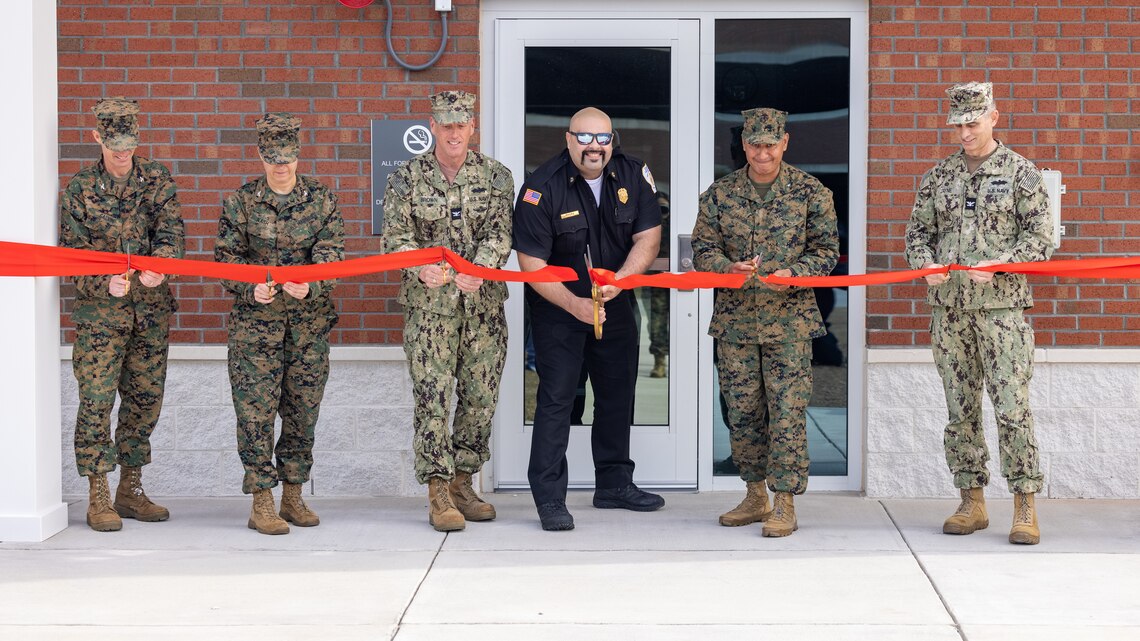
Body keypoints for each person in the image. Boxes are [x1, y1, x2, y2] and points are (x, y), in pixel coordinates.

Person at [905, 82, 1053, 545]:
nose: (965, 133)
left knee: (1012, 410)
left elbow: (1042, 239)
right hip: (949, 311)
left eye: (972, 123)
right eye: (958, 126)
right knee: (960, 410)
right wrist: (923, 264)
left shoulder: (1021, 174)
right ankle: (972, 501)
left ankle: (1024, 505)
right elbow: (916, 234)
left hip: (1001, 312)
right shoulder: (938, 176)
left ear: (993, 117)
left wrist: (1004, 263)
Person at [513, 107, 664, 531]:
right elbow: (531, 263)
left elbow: (648, 237)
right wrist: (575, 304)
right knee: (558, 400)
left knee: (618, 396)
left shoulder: (634, 175)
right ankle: (549, 499)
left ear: (612, 141)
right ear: (568, 140)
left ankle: (615, 484)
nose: (593, 146)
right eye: (583, 138)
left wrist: (622, 280)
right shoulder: (540, 187)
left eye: (602, 138)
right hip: (558, 309)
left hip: (614, 302)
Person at [692, 107, 839, 537]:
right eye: (755, 145)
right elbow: (702, 248)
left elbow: (827, 251)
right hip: (736, 325)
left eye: (771, 145)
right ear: (744, 144)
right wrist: (725, 267)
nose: (762, 153)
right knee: (742, 414)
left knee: (787, 413)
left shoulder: (811, 192)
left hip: (789, 326)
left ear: (785, 142)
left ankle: (785, 501)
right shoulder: (719, 195)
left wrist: (796, 274)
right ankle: (755, 494)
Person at [383, 90, 514, 532]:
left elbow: (501, 233)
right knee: (433, 399)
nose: (454, 131)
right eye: (446, 123)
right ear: (433, 126)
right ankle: (438, 490)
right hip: (430, 312)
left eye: (462, 123)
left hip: (482, 308)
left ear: (472, 127)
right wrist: (420, 267)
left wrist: (482, 267)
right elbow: (394, 238)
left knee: (480, 399)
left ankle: (463, 481)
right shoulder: (406, 179)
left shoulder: (497, 177)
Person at [215, 113, 344, 535]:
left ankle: (293, 495)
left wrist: (313, 285)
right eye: (273, 158)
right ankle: (261, 502)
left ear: (298, 153)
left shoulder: (322, 200)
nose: (281, 166)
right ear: (260, 155)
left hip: (307, 330)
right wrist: (250, 288)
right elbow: (226, 262)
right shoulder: (241, 202)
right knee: (255, 414)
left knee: (302, 412)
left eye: (287, 157)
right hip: (255, 331)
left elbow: (332, 256)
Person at [58, 97, 184, 532]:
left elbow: (172, 237)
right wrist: (100, 282)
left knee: (144, 401)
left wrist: (160, 268)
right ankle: (98, 493)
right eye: (114, 146)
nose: (123, 154)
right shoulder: (79, 189)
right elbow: (71, 257)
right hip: (100, 318)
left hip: (149, 313)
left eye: (129, 145)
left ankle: (130, 489)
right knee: (96, 401)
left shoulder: (157, 180)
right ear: (97, 138)